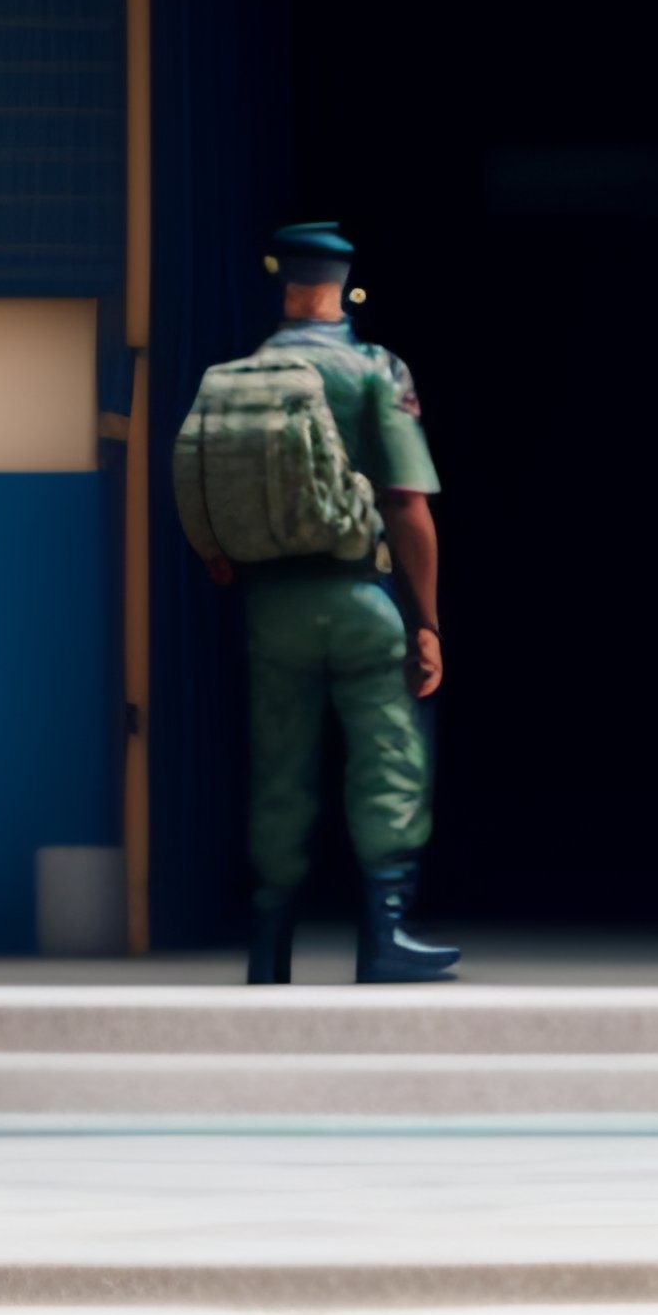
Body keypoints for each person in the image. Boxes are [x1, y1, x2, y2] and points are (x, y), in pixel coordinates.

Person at [233, 220, 458, 987]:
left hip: (273, 604)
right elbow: (405, 500)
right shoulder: (374, 369)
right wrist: (426, 621)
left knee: (278, 767)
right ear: (344, 284)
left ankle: (269, 948)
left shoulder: (246, 372)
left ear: (283, 283)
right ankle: (385, 938)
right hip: (363, 595)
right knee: (389, 756)